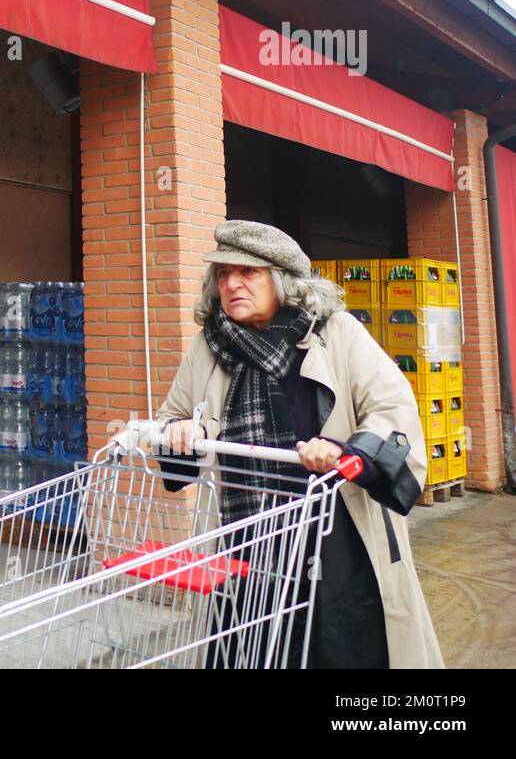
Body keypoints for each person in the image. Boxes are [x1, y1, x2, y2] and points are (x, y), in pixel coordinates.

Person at [155, 220, 444, 669]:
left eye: (248, 273)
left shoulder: (337, 333)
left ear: (282, 280)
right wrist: (179, 432)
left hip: (335, 535)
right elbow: (173, 416)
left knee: (341, 648)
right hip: (244, 539)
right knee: (246, 651)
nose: (231, 283)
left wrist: (347, 453)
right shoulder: (207, 345)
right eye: (223, 273)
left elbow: (393, 409)